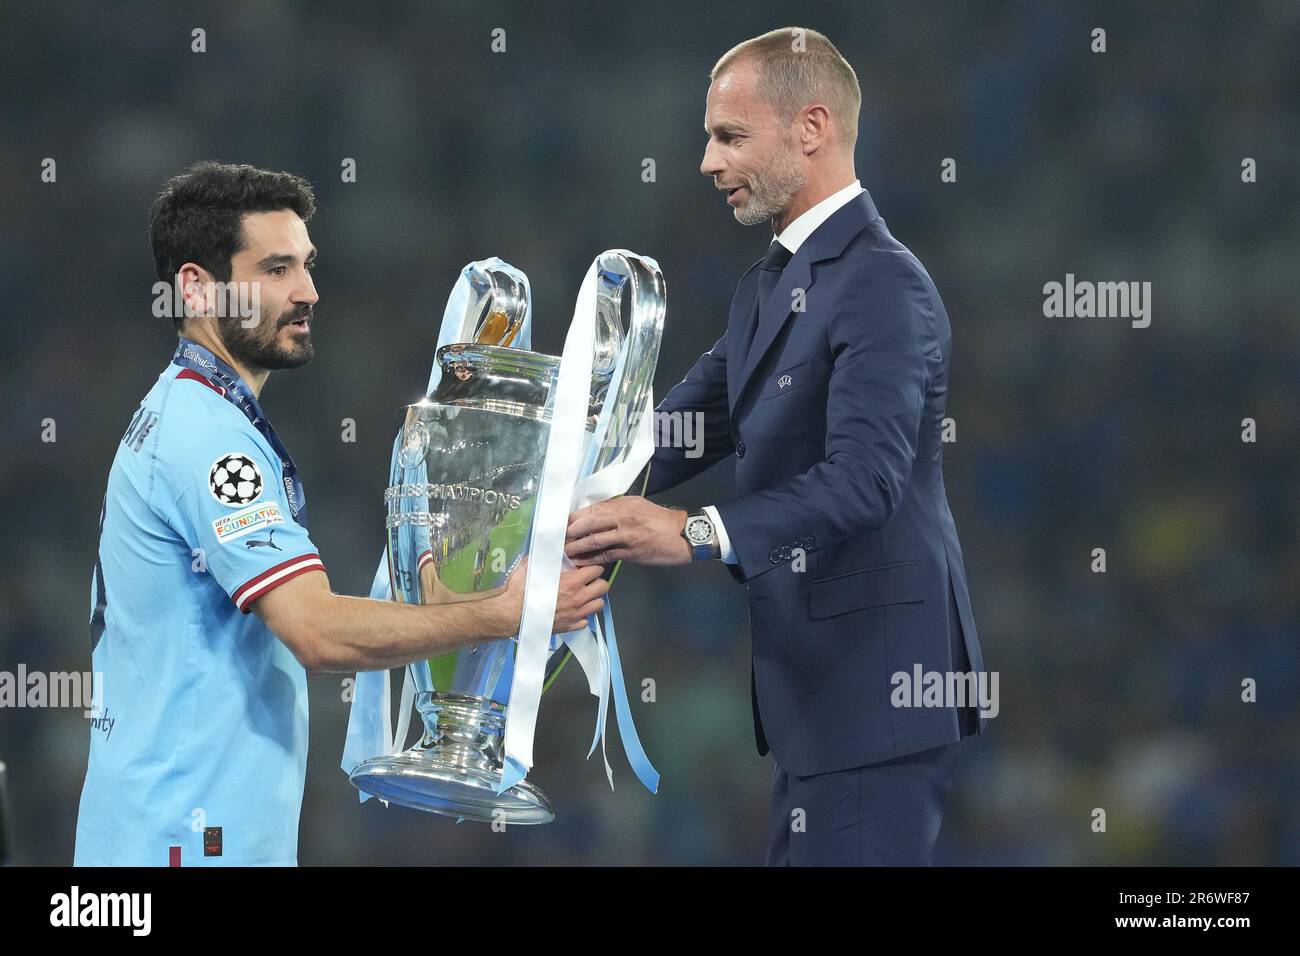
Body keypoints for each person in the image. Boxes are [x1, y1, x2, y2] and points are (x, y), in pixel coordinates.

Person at [75, 161, 606, 866]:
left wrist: (450, 610)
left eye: (307, 265)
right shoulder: (207, 437)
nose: (307, 292)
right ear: (197, 288)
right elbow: (315, 631)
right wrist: (509, 611)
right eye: (276, 269)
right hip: (183, 845)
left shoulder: (192, 414)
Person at [566, 28, 986, 865]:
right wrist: (528, 471)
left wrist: (689, 532)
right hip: (820, 702)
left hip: (880, 695)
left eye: (729, 136)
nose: (707, 162)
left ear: (811, 128)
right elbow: (666, 437)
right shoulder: (769, 285)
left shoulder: (883, 283)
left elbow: (867, 481)